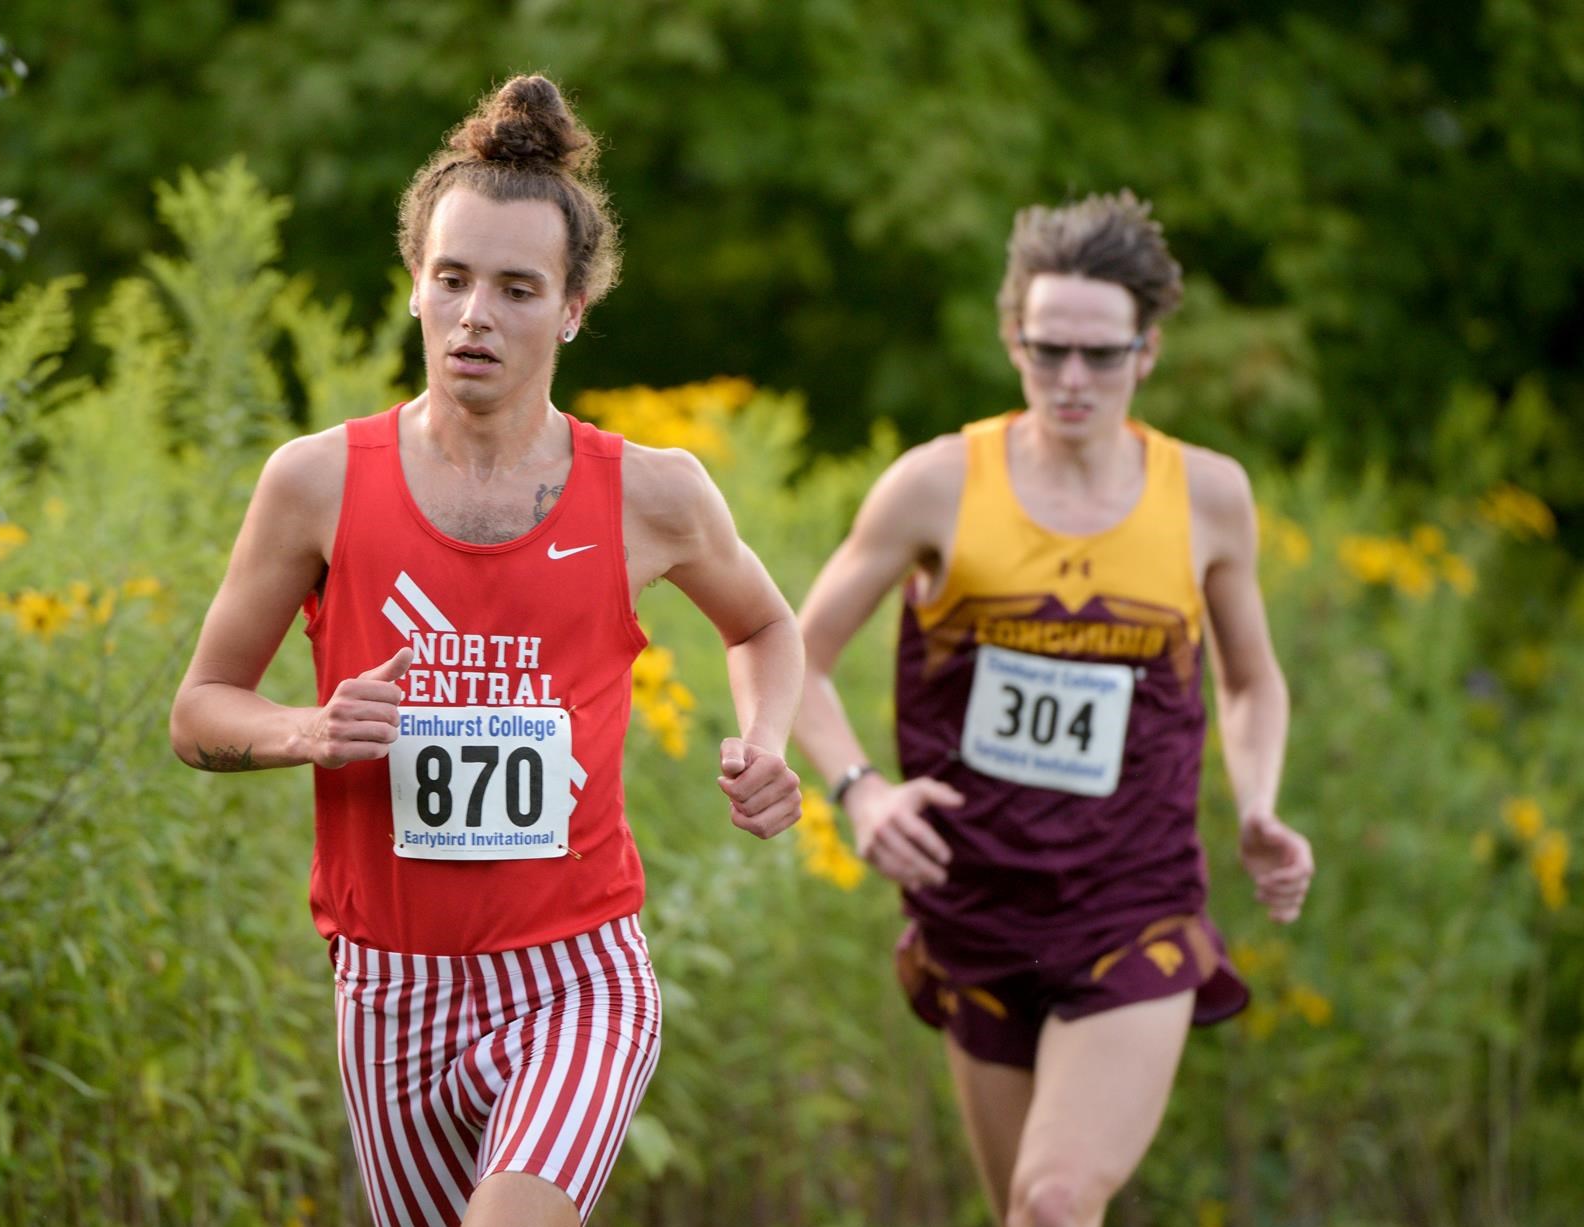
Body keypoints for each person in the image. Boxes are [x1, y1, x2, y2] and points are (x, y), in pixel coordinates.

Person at [169, 75, 803, 1227]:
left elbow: (762, 624)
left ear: (570, 310)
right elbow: (200, 709)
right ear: (414, 285)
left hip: (573, 976)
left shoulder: (650, 495)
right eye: (451, 280)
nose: (475, 315)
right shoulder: (315, 483)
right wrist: (305, 731)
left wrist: (763, 739)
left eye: (516, 289)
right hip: (388, 987)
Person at [793, 191, 1314, 1227]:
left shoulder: (1205, 496)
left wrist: (1257, 803)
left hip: (1133, 903)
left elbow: (1249, 681)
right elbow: (794, 657)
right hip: (974, 905)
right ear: (1011, 339)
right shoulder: (934, 486)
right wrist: (859, 794)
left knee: (1054, 1200)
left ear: (1147, 350)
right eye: (1046, 352)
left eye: (1100, 355)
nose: (1071, 380)